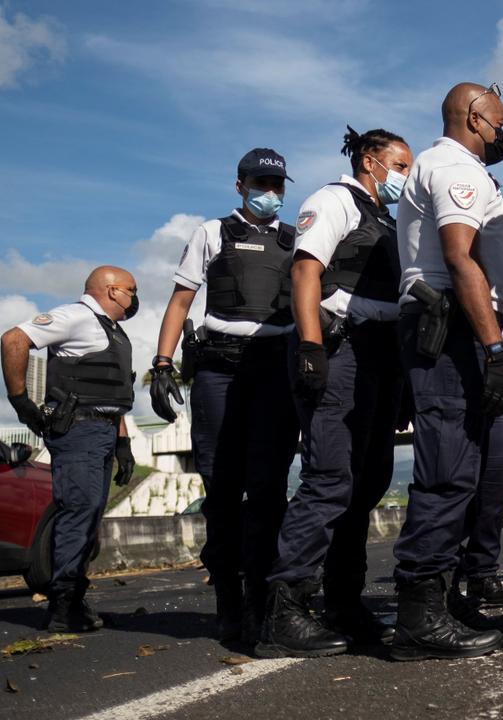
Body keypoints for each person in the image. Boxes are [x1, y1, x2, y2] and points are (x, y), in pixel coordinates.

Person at [258, 127, 412, 658]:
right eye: (400, 165)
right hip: (339, 349)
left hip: (380, 357)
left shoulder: (387, 218)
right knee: (329, 478)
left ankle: (344, 602)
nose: (406, 176)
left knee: (366, 484)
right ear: (370, 161)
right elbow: (306, 271)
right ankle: (284, 609)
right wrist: (310, 346)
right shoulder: (333, 200)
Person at [387, 82, 503, 661]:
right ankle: (418, 616)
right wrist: (493, 350)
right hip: (450, 331)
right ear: (473, 117)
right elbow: (458, 256)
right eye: (499, 122)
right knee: (446, 471)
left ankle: (441, 598)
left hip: (462, 328)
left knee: (476, 471)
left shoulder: (464, 170)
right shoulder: (454, 168)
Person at [148, 148, 300, 645]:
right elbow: (181, 301)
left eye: (277, 185)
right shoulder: (212, 233)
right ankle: (228, 600)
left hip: (275, 367)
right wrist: (163, 363)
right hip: (220, 369)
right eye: (260, 183)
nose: (269, 192)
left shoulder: (295, 239)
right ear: (240, 186)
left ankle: (262, 599)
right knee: (222, 488)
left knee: (269, 489)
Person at [0, 266, 139, 632]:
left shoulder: (111, 330)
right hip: (79, 431)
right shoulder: (75, 316)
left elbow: (109, 396)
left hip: (103, 431)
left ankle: (74, 599)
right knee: (78, 512)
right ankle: (63, 606)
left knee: (89, 516)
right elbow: (14, 339)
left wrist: (123, 443)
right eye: (131, 290)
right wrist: (20, 401)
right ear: (111, 290)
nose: (134, 298)